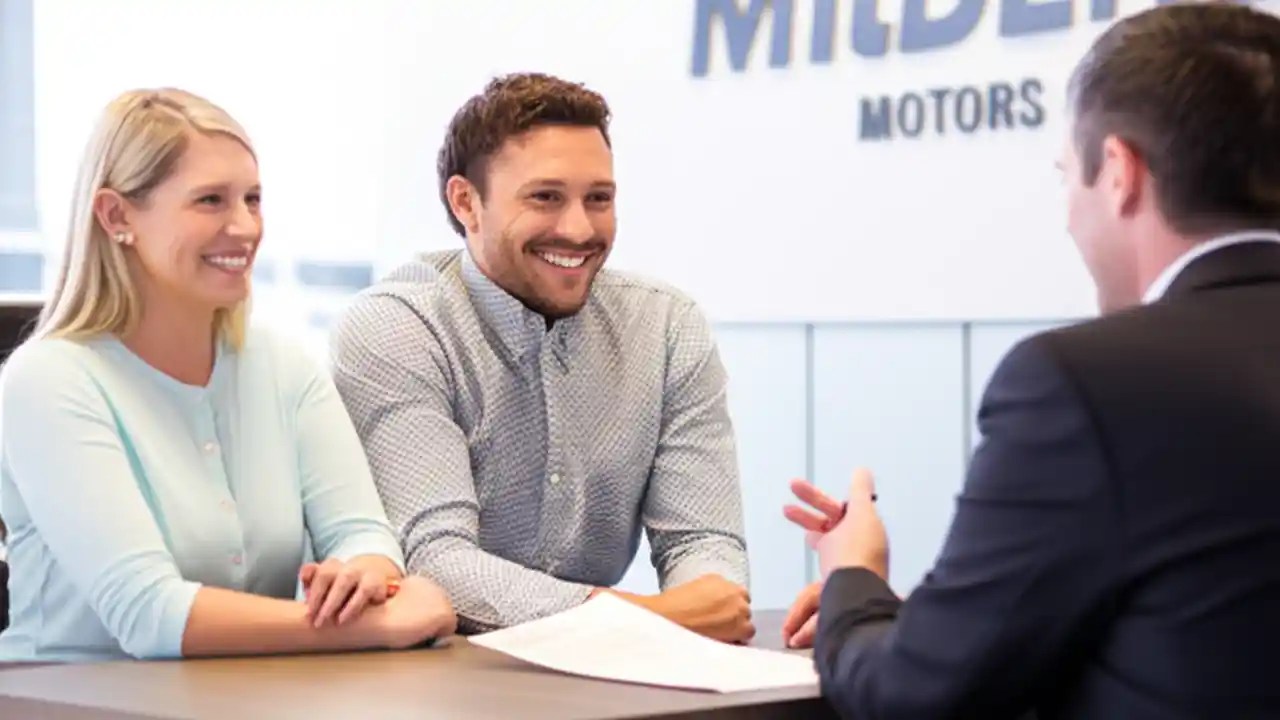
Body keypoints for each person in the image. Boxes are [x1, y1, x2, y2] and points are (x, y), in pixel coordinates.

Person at [781, 3, 1280, 718]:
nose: (1066, 216)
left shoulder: (1090, 382)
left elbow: (917, 694)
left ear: (1118, 172)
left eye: (1064, 177)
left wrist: (851, 578)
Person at [0, 88, 456, 663]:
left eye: (253, 199)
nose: (244, 227)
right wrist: (383, 624)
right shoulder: (49, 382)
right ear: (117, 217)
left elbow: (362, 531)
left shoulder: (285, 366)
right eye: (210, 201)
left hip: (243, 696)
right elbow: (148, 615)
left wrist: (366, 574)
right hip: (68, 701)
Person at [331, 73, 752, 641]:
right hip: (430, 673)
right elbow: (435, 562)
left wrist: (705, 599)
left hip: (602, 676)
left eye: (598, 199)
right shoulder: (399, 326)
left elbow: (703, 544)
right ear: (466, 202)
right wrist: (640, 620)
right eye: (545, 198)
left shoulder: (668, 326)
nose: (579, 228)